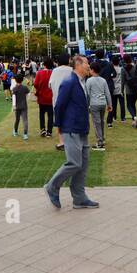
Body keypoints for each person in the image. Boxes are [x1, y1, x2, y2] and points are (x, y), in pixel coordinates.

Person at [44, 56, 99, 210]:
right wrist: (60, 126)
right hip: (71, 128)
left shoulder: (82, 82)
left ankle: (79, 199)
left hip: (82, 129)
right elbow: (59, 106)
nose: (89, 66)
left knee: (83, 165)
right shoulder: (69, 83)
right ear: (78, 65)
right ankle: (52, 186)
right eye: (87, 63)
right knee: (74, 163)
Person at [85, 61, 110, 151]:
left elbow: (87, 94)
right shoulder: (103, 80)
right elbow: (107, 93)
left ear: (92, 70)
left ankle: (100, 143)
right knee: (101, 122)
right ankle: (102, 138)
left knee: (97, 123)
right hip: (103, 103)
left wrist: (86, 105)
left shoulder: (89, 80)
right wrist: (109, 104)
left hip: (94, 104)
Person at [33, 59, 54, 139]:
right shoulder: (53, 73)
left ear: (44, 64)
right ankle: (49, 131)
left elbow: (35, 84)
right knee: (50, 114)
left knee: (42, 114)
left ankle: (43, 129)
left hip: (41, 96)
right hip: (51, 97)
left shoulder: (40, 73)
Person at [121, 56, 137, 129]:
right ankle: (134, 121)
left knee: (129, 105)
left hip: (129, 89)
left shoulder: (123, 69)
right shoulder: (136, 67)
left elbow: (122, 81)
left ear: (124, 60)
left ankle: (134, 117)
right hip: (136, 88)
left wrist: (121, 91)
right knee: (133, 104)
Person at [11, 72, 31, 141]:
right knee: (25, 120)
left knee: (17, 119)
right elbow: (28, 95)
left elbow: (14, 97)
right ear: (22, 80)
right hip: (24, 106)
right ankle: (25, 134)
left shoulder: (14, 88)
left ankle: (15, 131)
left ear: (15, 80)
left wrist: (13, 106)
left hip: (17, 107)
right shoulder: (25, 88)